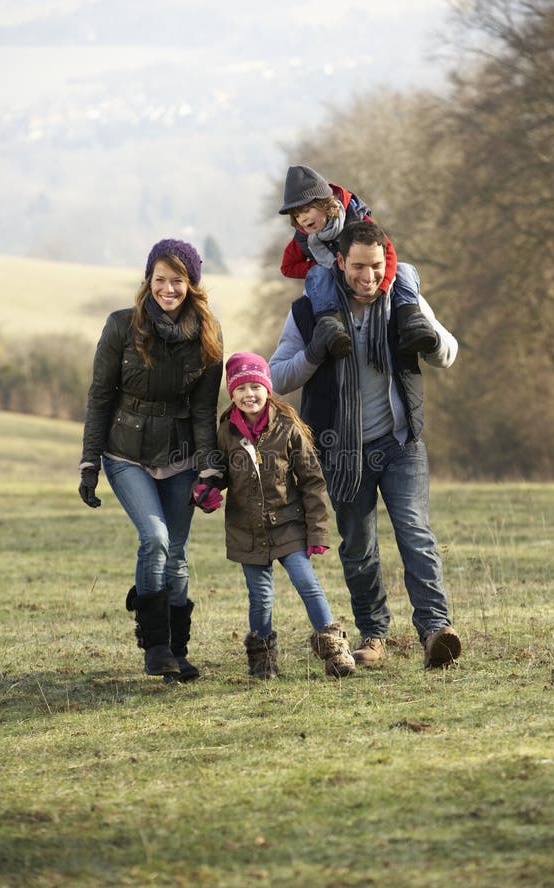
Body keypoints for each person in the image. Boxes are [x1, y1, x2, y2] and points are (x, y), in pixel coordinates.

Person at [269, 220, 462, 670]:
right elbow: (277, 376)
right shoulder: (309, 312)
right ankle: (373, 635)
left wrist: (429, 339)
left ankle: (436, 631)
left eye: (376, 266)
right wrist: (314, 352)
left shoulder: (402, 302)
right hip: (341, 450)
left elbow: (448, 352)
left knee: (415, 534)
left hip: (399, 444)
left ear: (386, 260)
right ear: (340, 261)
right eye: (358, 267)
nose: (369, 277)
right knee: (357, 544)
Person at [78, 238, 223, 681]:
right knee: (156, 539)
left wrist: (211, 466)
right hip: (127, 454)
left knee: (176, 555)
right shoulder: (122, 326)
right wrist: (89, 462)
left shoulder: (208, 334)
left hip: (179, 456)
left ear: (191, 284)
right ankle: (155, 647)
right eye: (160, 279)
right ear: (149, 281)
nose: (167, 288)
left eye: (177, 280)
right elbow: (100, 396)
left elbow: (203, 410)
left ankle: (177, 652)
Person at [193, 352, 355, 680]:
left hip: (288, 524)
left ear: (268, 389)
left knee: (306, 582)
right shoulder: (226, 431)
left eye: (255, 386)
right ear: (232, 393)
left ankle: (335, 649)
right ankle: (263, 660)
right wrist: (208, 490)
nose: (249, 394)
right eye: (240, 389)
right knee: (261, 596)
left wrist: (318, 532)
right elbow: (222, 472)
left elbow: (312, 481)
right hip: (246, 529)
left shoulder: (288, 428)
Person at [278, 164, 437, 360]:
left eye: (307, 209)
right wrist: (326, 265)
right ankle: (330, 326)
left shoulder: (356, 219)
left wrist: (382, 287)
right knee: (318, 274)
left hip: (369, 280)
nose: (302, 218)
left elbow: (388, 253)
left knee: (405, 269)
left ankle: (412, 320)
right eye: (296, 215)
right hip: (335, 284)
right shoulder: (303, 238)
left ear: (324, 203)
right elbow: (287, 267)